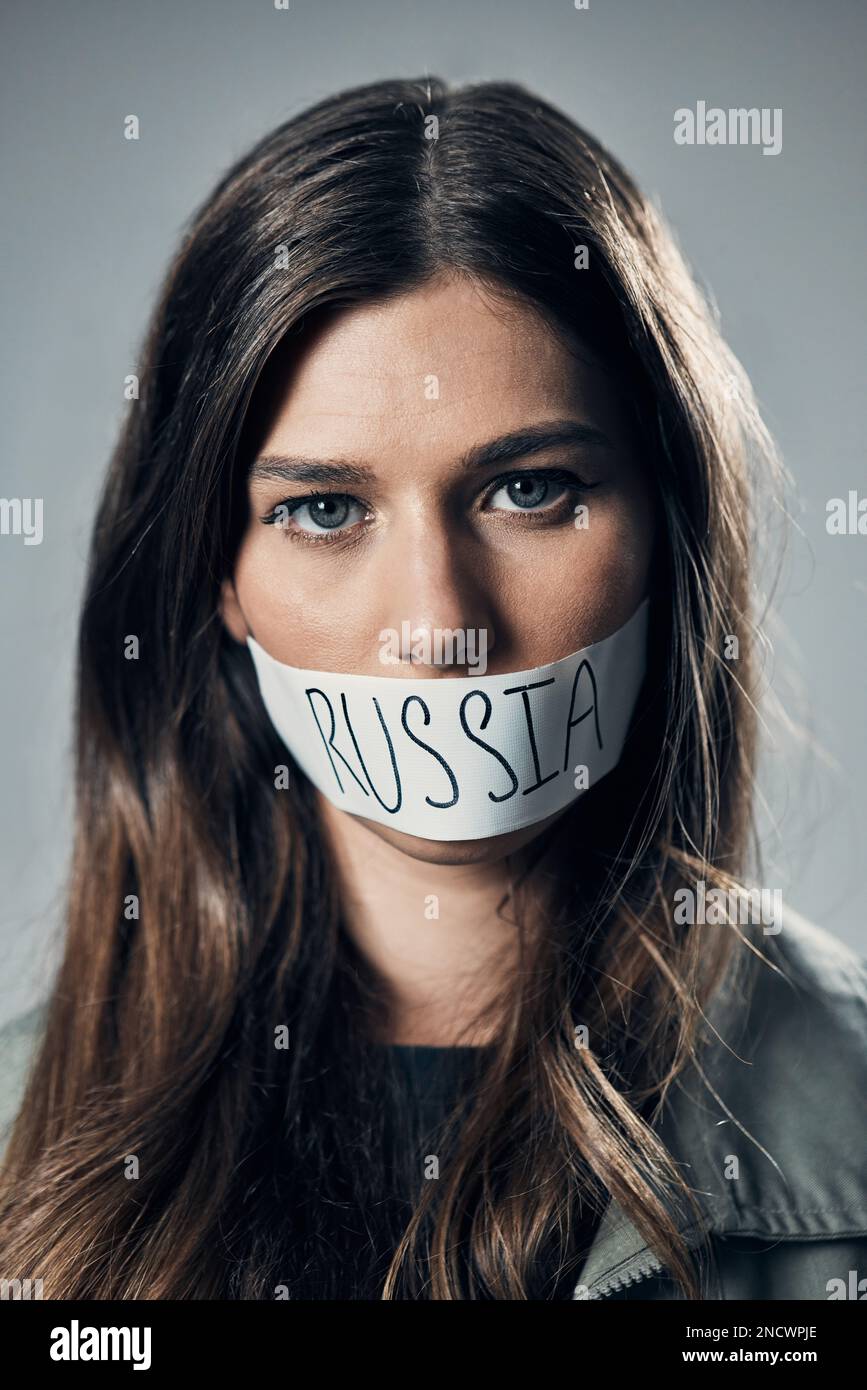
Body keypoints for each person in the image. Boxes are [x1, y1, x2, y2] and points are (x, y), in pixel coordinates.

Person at [0, 75, 865, 1301]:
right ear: (220, 580)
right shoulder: (14, 1166)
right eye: (324, 510)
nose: (439, 626)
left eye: (530, 491)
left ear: (671, 534)